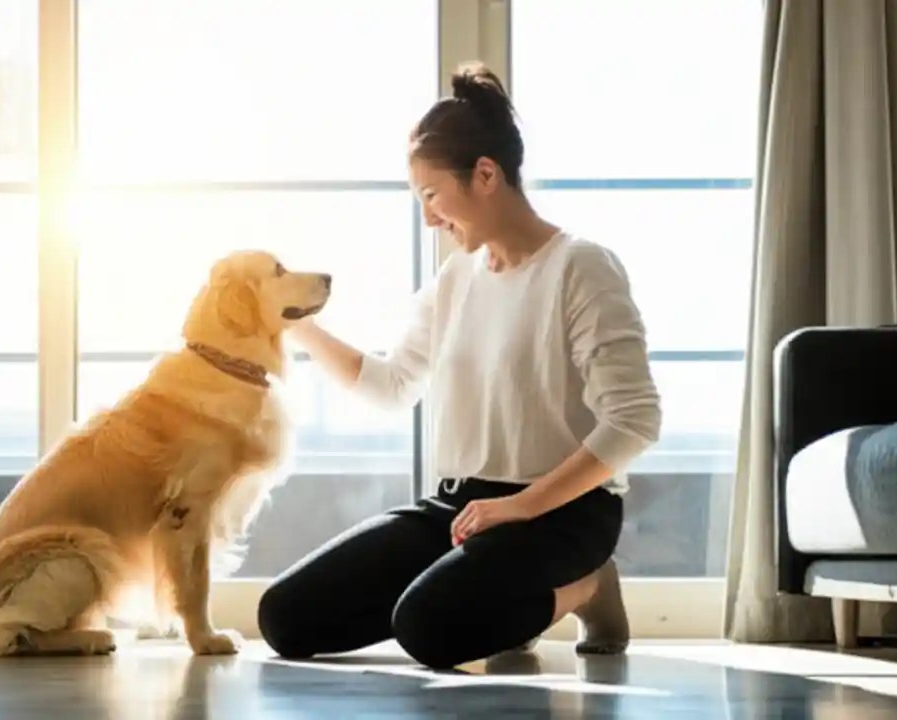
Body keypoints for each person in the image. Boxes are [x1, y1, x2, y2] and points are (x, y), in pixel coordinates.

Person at [256, 62, 662, 671]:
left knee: (430, 628)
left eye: (431, 195)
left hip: (564, 512)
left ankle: (588, 586)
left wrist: (522, 506)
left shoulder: (582, 267)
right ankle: (484, 592)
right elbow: (391, 385)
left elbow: (634, 421)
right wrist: (300, 326)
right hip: (462, 508)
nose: (428, 218)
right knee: (285, 618)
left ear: (486, 175)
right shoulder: (457, 279)